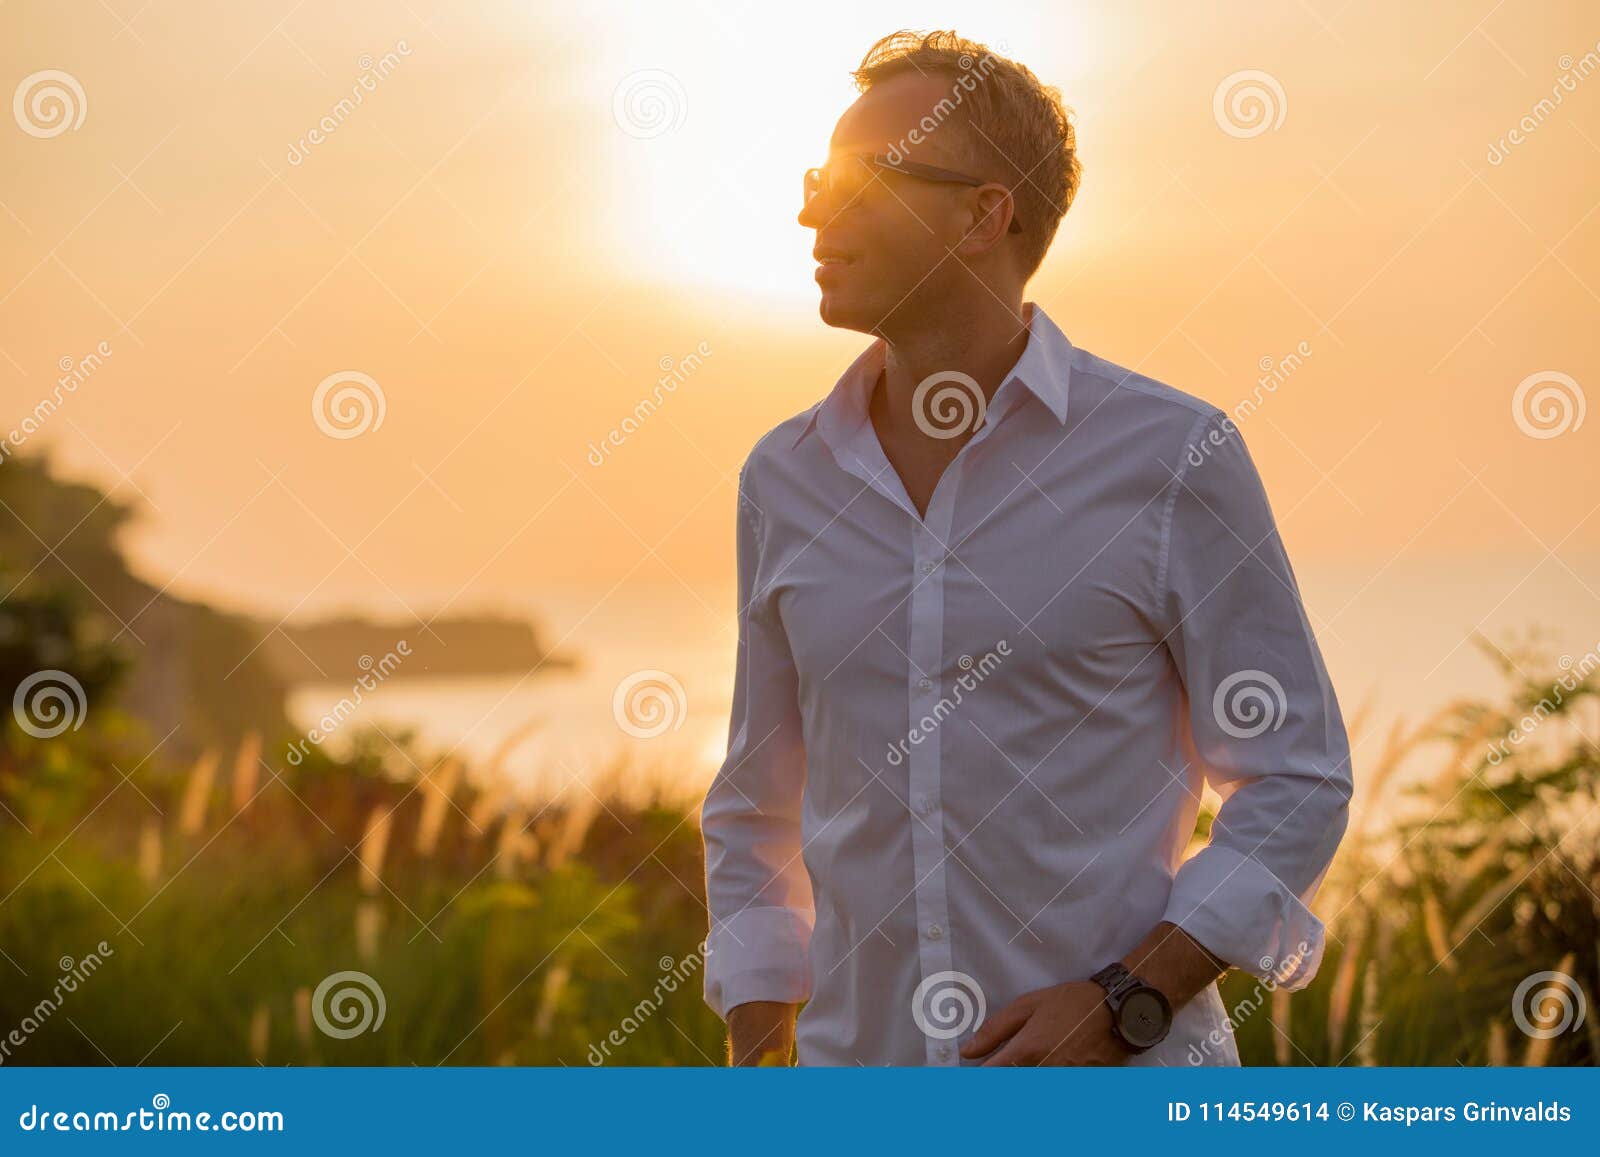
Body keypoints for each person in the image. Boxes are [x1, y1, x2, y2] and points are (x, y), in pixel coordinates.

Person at [700, 29, 1351, 1066]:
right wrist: (757, 1042)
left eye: (863, 182)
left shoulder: (1173, 454)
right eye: (819, 176)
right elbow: (753, 802)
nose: (813, 211)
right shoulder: (784, 478)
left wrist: (1126, 999)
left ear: (981, 213)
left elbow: (1297, 775)